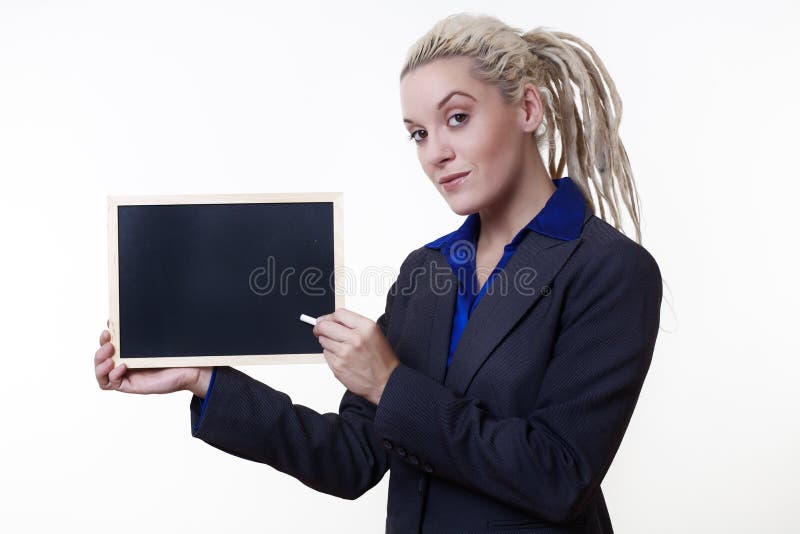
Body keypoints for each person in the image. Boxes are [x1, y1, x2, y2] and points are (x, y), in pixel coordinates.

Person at [94, 13, 662, 533]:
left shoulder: (610, 271)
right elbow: (352, 459)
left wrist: (390, 382)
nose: (435, 152)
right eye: (418, 133)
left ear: (528, 109)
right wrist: (202, 379)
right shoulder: (427, 273)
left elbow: (559, 475)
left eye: (457, 119)